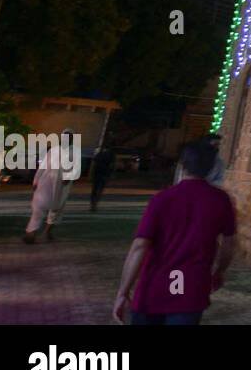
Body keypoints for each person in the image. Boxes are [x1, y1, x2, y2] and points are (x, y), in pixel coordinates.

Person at [114, 140, 236, 326]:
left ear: (182, 165)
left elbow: (140, 246)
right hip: (191, 288)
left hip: (155, 286)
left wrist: (123, 292)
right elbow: (229, 244)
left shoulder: (162, 199)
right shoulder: (220, 200)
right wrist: (219, 271)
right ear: (212, 167)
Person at [24, 132, 77, 244]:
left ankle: (46, 232)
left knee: (55, 210)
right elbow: (42, 166)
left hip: (61, 185)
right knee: (39, 207)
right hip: (46, 182)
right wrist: (36, 180)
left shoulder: (73, 153)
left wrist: (68, 177)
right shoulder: (52, 151)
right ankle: (31, 233)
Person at [90, 147, 116, 212]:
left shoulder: (99, 153)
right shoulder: (111, 154)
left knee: (95, 189)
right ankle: (94, 204)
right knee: (99, 189)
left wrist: (91, 173)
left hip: (98, 173)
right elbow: (112, 165)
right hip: (104, 173)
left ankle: (93, 204)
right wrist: (111, 174)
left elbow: (94, 163)